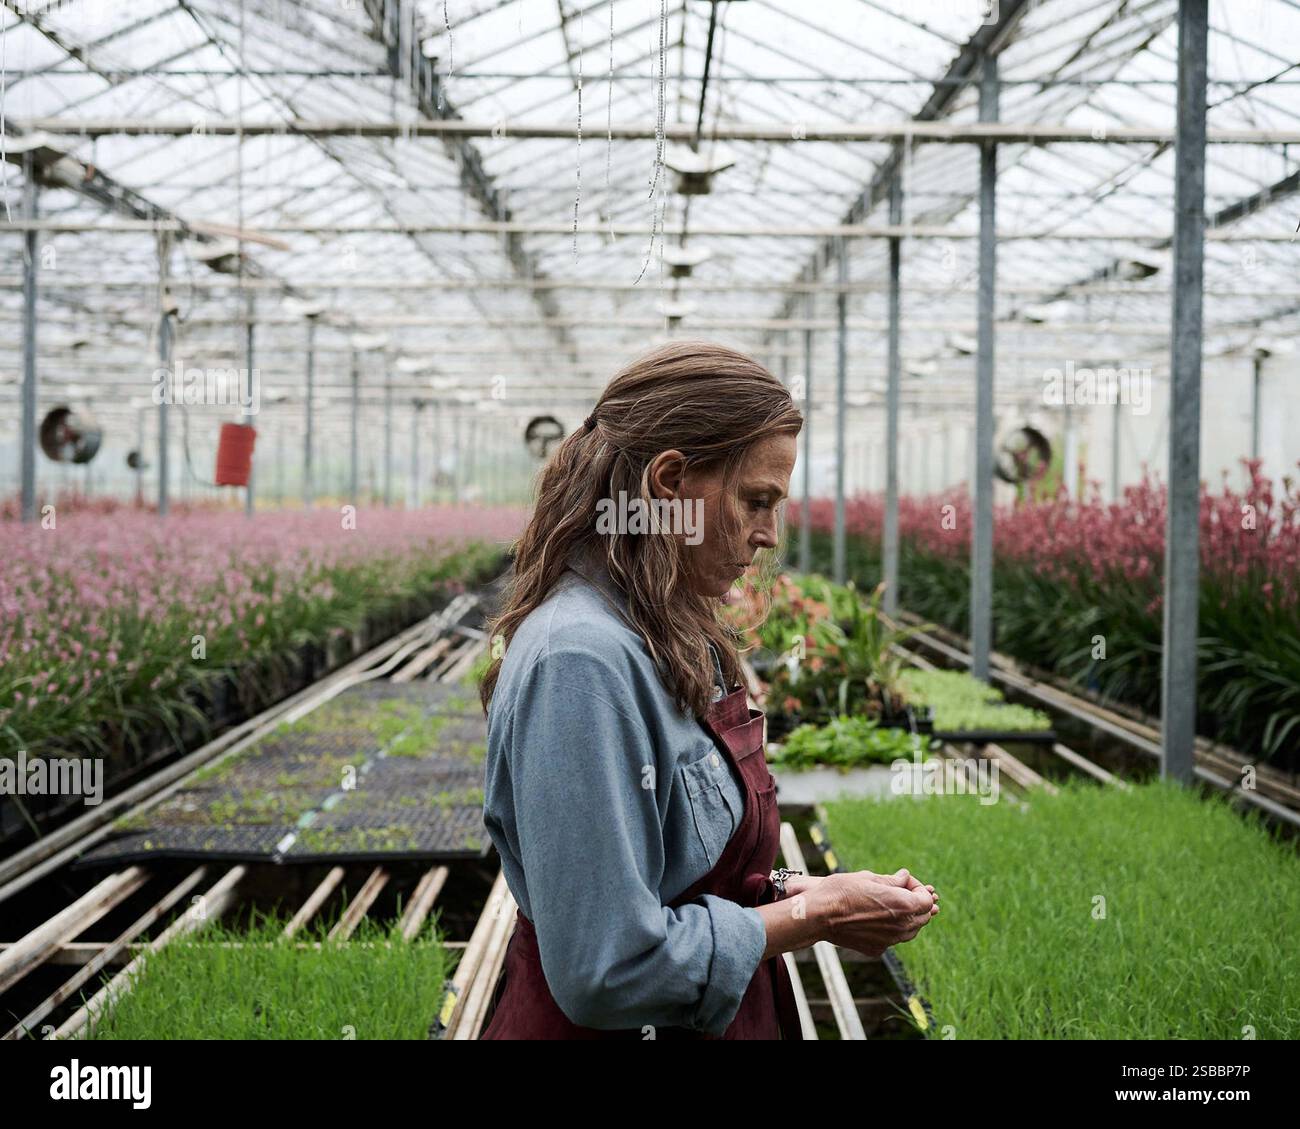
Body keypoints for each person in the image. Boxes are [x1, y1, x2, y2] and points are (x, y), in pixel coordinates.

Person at [478, 340, 938, 1040]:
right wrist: (815, 918)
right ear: (669, 482)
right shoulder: (581, 661)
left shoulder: (666, 629)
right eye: (757, 500)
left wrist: (795, 891)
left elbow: (678, 872)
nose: (768, 535)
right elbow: (610, 969)